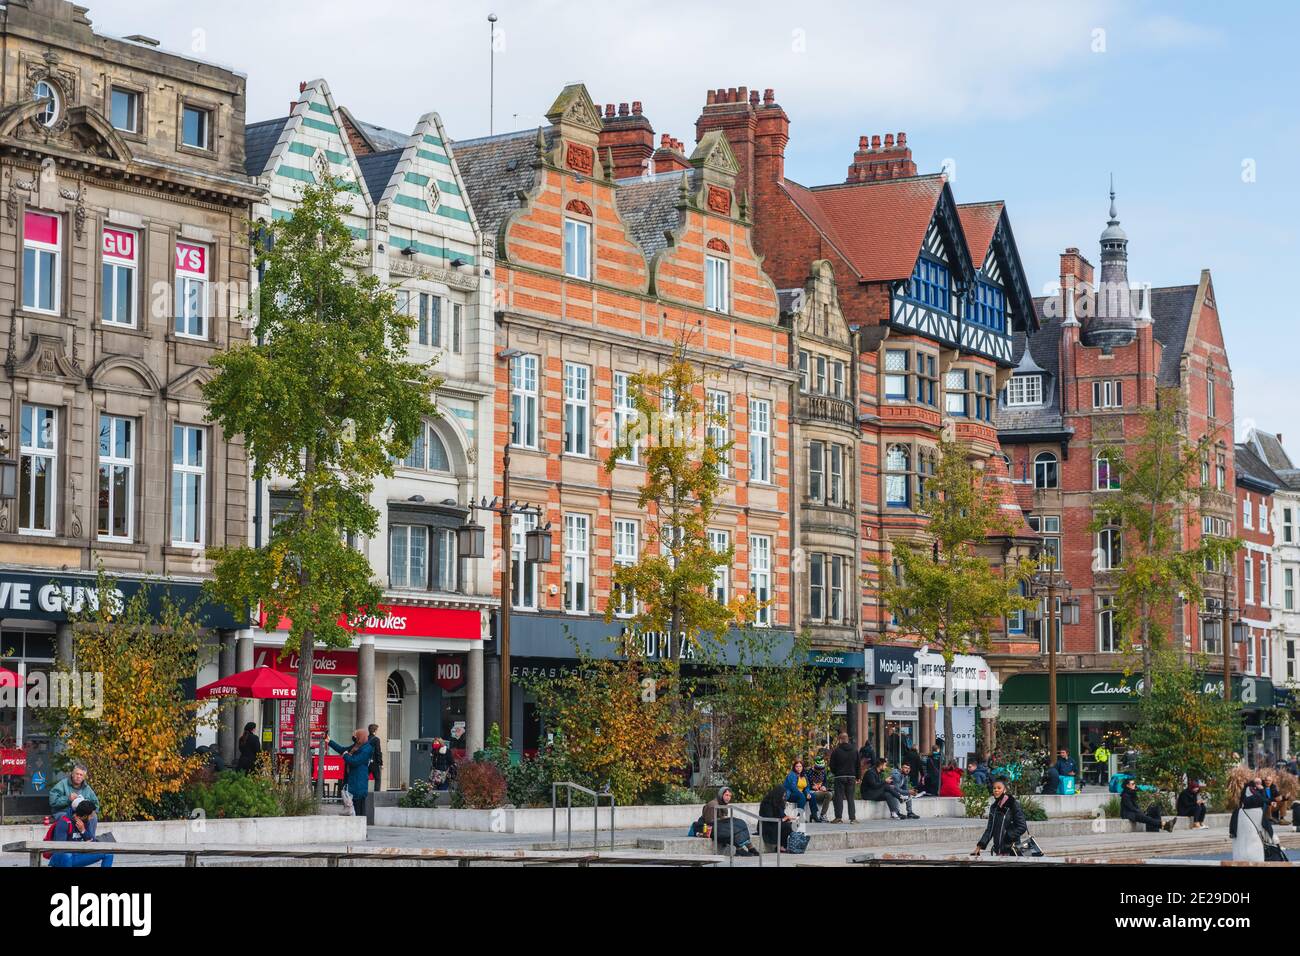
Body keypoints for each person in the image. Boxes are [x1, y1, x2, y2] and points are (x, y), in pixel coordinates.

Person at [48, 798, 113, 868]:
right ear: (84, 816)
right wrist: (81, 846)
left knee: (108, 853)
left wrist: (83, 830)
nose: (92, 818)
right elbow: (60, 847)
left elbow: (92, 841)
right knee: (67, 855)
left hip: (77, 855)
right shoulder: (64, 822)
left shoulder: (86, 822)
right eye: (91, 816)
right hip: (61, 858)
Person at [327, 728, 374, 818]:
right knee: (351, 808)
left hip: (359, 782)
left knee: (358, 808)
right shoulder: (356, 746)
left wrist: (345, 755)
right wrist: (329, 741)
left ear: (361, 736)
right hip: (352, 781)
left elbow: (355, 761)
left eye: (356, 736)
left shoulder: (367, 749)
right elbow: (342, 749)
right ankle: (355, 828)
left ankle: (361, 830)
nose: (354, 737)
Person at [973, 777, 1027, 856]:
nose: (996, 790)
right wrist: (979, 846)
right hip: (998, 851)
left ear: (1004, 790)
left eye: (999, 788)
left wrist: (1008, 836)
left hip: (1012, 851)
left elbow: (1022, 826)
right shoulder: (994, 807)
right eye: (994, 788)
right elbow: (989, 830)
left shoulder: (1012, 804)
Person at [702, 785, 758, 856]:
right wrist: (724, 819)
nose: (728, 798)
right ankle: (739, 849)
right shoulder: (713, 805)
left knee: (741, 823)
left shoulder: (723, 804)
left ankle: (750, 847)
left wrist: (725, 819)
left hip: (720, 827)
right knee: (733, 828)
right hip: (711, 829)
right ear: (721, 794)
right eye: (726, 795)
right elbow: (709, 821)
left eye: (729, 796)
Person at [1231, 778, 1272, 861]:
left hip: (1252, 815)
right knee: (1251, 839)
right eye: (1257, 783)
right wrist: (1262, 790)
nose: (1259, 784)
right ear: (1253, 783)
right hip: (1249, 816)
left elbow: (1264, 800)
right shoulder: (1249, 789)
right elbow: (1261, 799)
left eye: (1260, 782)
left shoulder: (1254, 790)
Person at [828, 732, 858, 824]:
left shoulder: (836, 751)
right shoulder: (854, 750)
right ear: (847, 739)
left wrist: (836, 772)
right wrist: (858, 776)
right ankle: (852, 818)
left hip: (840, 776)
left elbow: (831, 765)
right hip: (851, 776)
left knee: (839, 797)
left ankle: (838, 818)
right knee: (850, 798)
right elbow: (858, 764)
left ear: (840, 740)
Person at [758, 784, 795, 852]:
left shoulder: (778, 802)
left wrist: (788, 818)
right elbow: (768, 818)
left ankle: (783, 845)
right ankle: (780, 846)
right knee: (786, 826)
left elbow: (781, 814)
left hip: (776, 823)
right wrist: (783, 819)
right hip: (766, 825)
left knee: (789, 825)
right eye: (783, 796)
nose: (784, 798)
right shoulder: (767, 803)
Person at [805, 753, 833, 823]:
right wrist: (812, 786)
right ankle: (814, 815)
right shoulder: (808, 771)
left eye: (822, 769)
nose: (820, 771)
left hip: (820, 791)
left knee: (829, 794)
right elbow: (805, 783)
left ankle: (823, 815)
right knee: (813, 795)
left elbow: (825, 782)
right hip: (812, 792)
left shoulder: (823, 772)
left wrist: (824, 786)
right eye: (819, 769)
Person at [368, 723, 384, 792]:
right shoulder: (376, 739)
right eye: (377, 730)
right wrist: (380, 763)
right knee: (377, 779)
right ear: (374, 730)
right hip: (374, 763)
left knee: (365, 778)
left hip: (366, 762)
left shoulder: (366, 738)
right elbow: (378, 752)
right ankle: (376, 794)